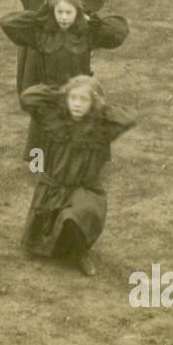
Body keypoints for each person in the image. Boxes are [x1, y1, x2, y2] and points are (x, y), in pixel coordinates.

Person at [19, 76, 137, 276]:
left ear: (93, 103)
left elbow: (129, 117)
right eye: (73, 98)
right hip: (54, 185)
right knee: (42, 236)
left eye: (84, 100)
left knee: (81, 213)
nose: (77, 104)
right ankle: (56, 247)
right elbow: (27, 97)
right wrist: (59, 94)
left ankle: (80, 254)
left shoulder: (100, 128)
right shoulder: (55, 119)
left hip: (83, 188)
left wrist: (101, 109)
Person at [0, 0, 130, 160]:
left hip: (79, 92)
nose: (64, 17)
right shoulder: (42, 34)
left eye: (69, 12)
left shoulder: (86, 33)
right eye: (59, 12)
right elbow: (8, 22)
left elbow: (119, 29)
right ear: (52, 12)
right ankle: (40, 163)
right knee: (45, 131)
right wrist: (42, 15)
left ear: (78, 12)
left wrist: (93, 21)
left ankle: (80, 165)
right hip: (51, 92)